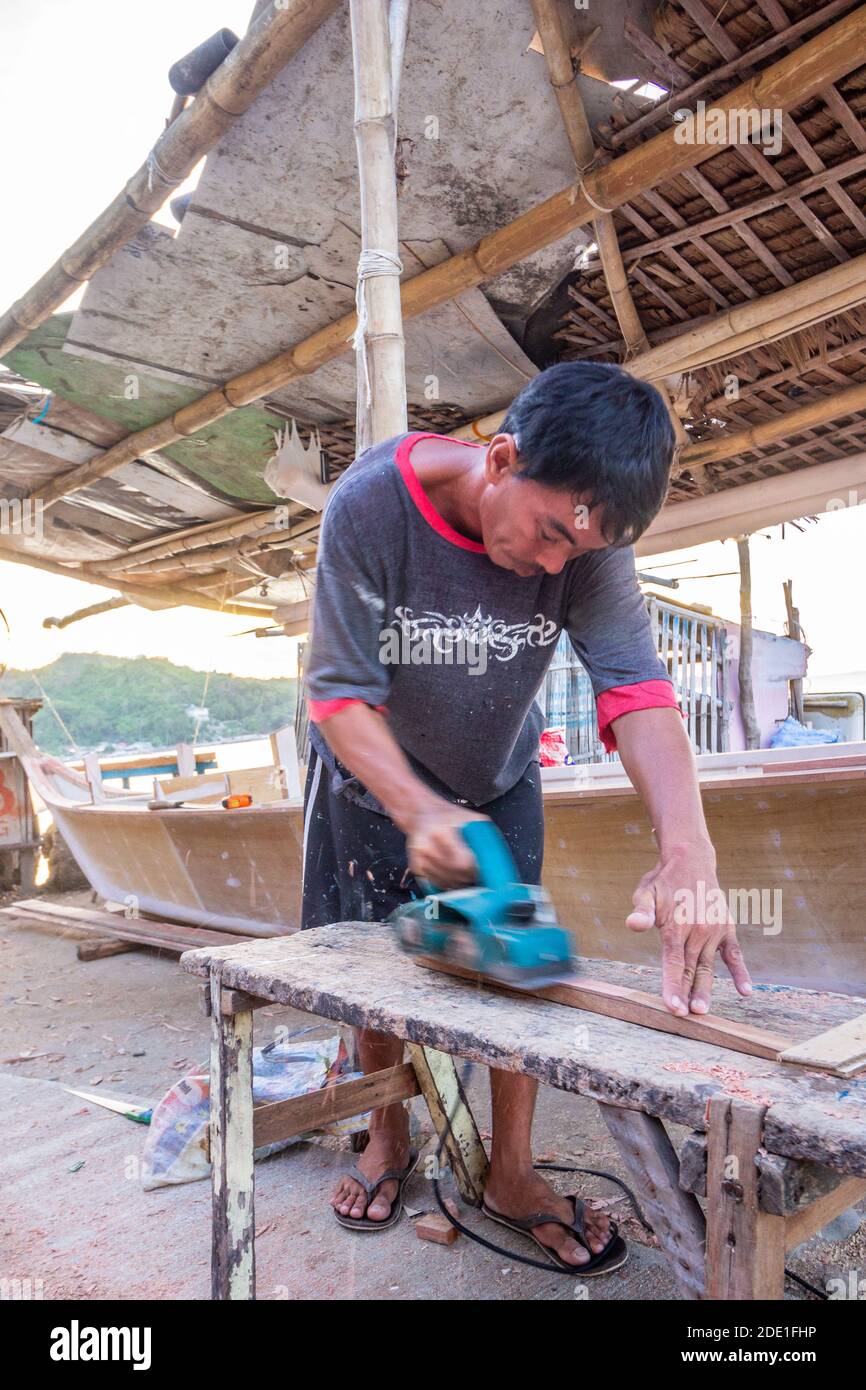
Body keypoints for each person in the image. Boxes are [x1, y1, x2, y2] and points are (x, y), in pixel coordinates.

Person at [301, 361, 751, 1272]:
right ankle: (387, 1137)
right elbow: (339, 694)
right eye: (548, 535)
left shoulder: (589, 536)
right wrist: (419, 811)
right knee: (378, 971)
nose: (554, 566)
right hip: (374, 769)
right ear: (500, 459)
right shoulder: (370, 506)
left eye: (575, 553)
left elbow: (635, 687)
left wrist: (688, 849)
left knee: (514, 968)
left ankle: (509, 1172)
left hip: (497, 770)